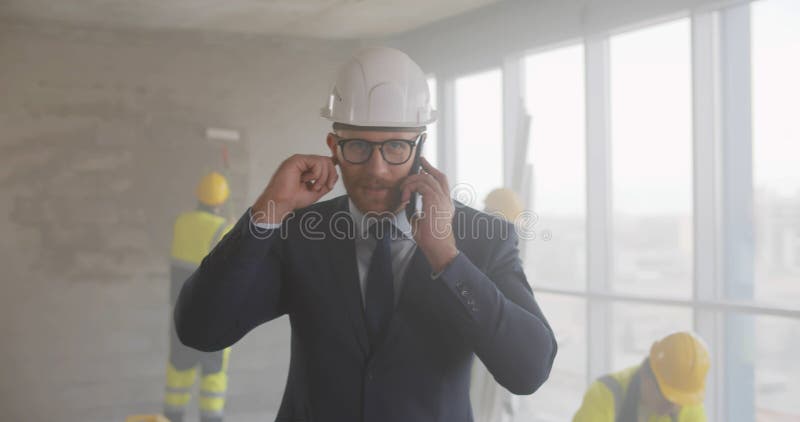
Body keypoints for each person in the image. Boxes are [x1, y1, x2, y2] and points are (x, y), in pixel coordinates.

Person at [174, 47, 557, 422]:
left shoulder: (484, 238)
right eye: (357, 146)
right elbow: (200, 329)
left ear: (420, 146)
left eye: (395, 146)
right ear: (334, 148)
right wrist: (268, 209)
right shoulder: (301, 231)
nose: (377, 168)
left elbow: (528, 370)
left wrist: (448, 259)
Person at [164, 172, 233, 422]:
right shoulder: (223, 229)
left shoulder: (180, 222)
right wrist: (232, 228)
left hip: (180, 312)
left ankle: (171, 417)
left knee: (178, 370)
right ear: (221, 200)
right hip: (213, 317)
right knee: (213, 375)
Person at [573, 331, 711, 422]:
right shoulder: (605, 395)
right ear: (646, 375)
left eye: (679, 402)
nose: (673, 407)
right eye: (667, 397)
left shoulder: (687, 403)